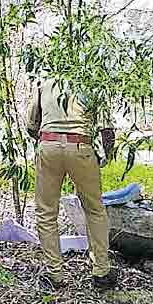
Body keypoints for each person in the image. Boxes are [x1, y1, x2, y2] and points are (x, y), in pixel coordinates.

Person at [26, 78, 119, 289]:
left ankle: (55, 274)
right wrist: (107, 155)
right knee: (94, 209)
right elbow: (107, 130)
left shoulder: (45, 84)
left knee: (46, 212)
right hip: (81, 147)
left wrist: (48, 143)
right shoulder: (94, 81)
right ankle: (101, 272)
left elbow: (32, 126)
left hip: (48, 145)